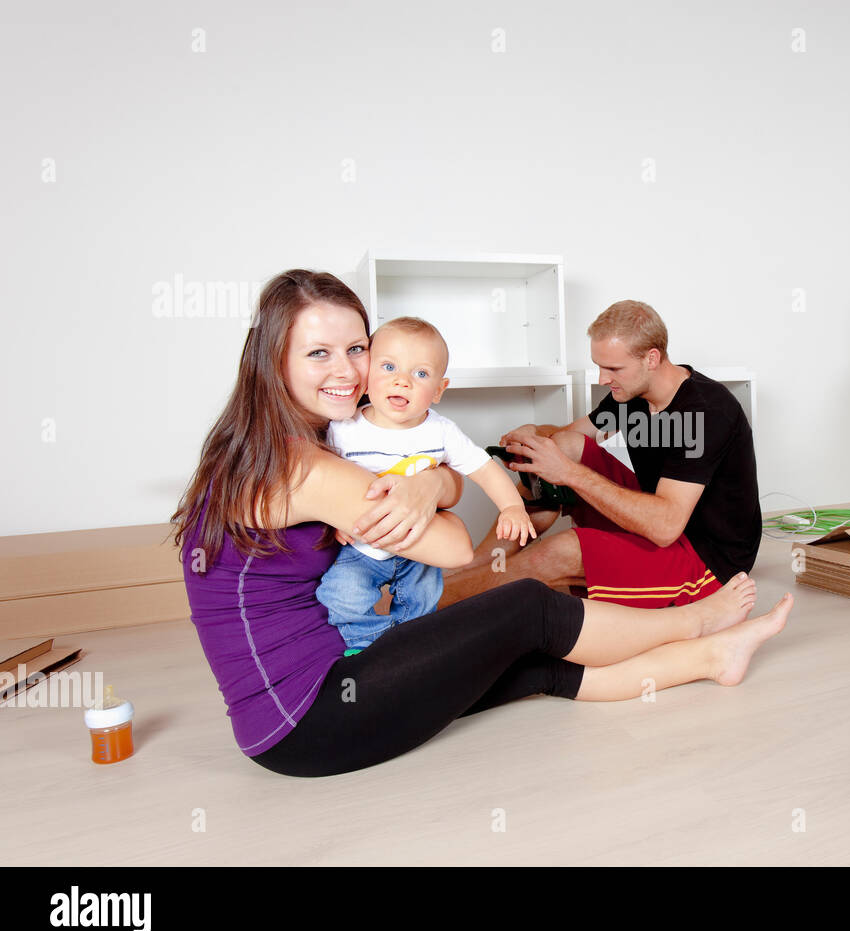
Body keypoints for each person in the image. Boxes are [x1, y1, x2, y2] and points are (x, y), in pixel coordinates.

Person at [171, 269, 792, 778]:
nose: (349, 371)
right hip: (315, 711)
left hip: (292, 715)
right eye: (318, 353)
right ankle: (696, 622)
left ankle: (712, 657)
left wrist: (435, 480)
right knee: (527, 608)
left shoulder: (269, 443)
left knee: (534, 666)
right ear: (270, 359)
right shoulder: (301, 464)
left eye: (358, 349)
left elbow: (425, 479)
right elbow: (448, 543)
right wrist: (436, 483)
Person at [440, 299, 761, 609]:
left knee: (557, 553)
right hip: (659, 514)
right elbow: (568, 436)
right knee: (564, 449)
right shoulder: (633, 394)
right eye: (599, 366)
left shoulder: (704, 413)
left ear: (652, 358)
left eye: (613, 368)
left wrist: (567, 473)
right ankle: (465, 569)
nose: (603, 379)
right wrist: (534, 436)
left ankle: (425, 607)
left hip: (706, 559)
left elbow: (665, 526)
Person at [316, 315, 535, 653]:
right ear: (367, 374)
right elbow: (325, 483)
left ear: (438, 390)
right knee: (342, 595)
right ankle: (366, 647)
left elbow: (482, 468)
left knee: (422, 604)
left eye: (420, 374)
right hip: (361, 546)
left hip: (420, 545)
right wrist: (333, 522)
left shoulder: (441, 432)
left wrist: (511, 506)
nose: (402, 381)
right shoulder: (344, 428)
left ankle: (413, 649)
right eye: (388, 367)